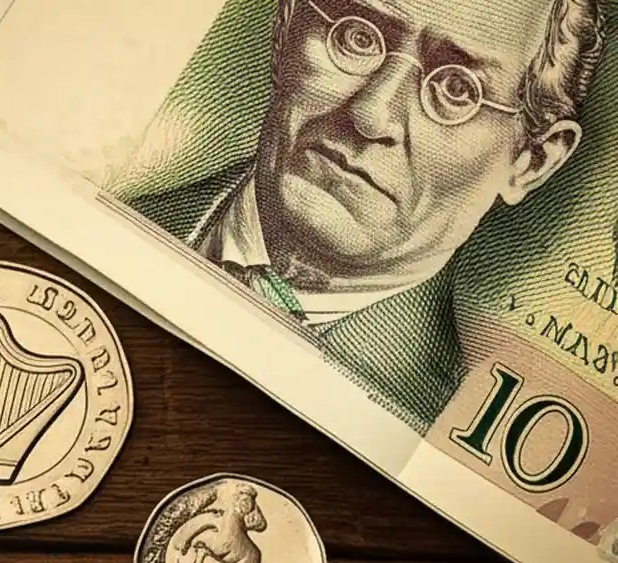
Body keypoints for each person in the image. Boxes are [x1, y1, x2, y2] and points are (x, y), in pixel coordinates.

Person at [126, 0, 605, 426]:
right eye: (358, 36)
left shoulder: (432, 416)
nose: (371, 113)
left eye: (457, 89)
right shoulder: (125, 215)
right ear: (287, 25)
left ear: (530, 162)